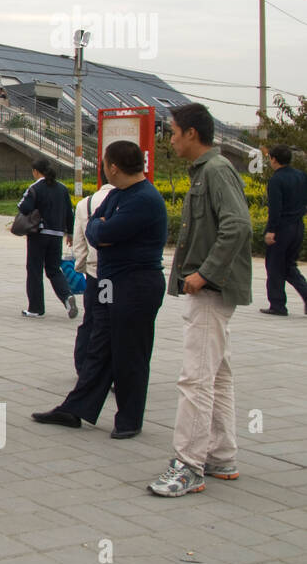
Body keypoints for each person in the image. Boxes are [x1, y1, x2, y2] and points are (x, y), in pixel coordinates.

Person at [149, 104, 252, 496]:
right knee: (217, 376)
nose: (170, 139)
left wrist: (206, 272)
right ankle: (221, 455)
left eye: (173, 132)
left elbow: (238, 224)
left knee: (194, 378)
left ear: (192, 133)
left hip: (210, 290)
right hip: (209, 289)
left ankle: (188, 465)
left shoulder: (216, 170)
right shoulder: (208, 171)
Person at [31, 141, 167, 439]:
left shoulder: (144, 198)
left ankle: (129, 420)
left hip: (136, 285)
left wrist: (102, 229)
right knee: (99, 346)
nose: (103, 167)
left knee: (130, 352)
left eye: (104, 162)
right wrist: (101, 228)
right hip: (107, 282)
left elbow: (104, 231)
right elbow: (95, 230)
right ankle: (76, 408)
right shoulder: (119, 195)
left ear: (113, 166)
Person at [18, 157, 77, 319]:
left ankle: (36, 308)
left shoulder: (35, 187)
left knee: (34, 270)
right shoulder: (62, 188)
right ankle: (67, 297)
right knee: (53, 269)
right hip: (57, 235)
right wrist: (70, 233)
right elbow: (69, 213)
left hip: (39, 235)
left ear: (36, 171)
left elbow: (24, 207)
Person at [70, 169, 114, 376]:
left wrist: (83, 267)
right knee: (113, 319)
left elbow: (79, 242)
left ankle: (83, 366)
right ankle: (111, 368)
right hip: (117, 274)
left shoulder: (85, 203)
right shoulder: (126, 200)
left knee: (91, 319)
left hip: (95, 271)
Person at [260, 144, 307, 316]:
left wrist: (271, 230)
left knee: (274, 266)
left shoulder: (276, 180)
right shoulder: (302, 176)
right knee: (289, 266)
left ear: (273, 159)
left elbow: (275, 208)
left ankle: (277, 304)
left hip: (282, 228)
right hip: (298, 226)